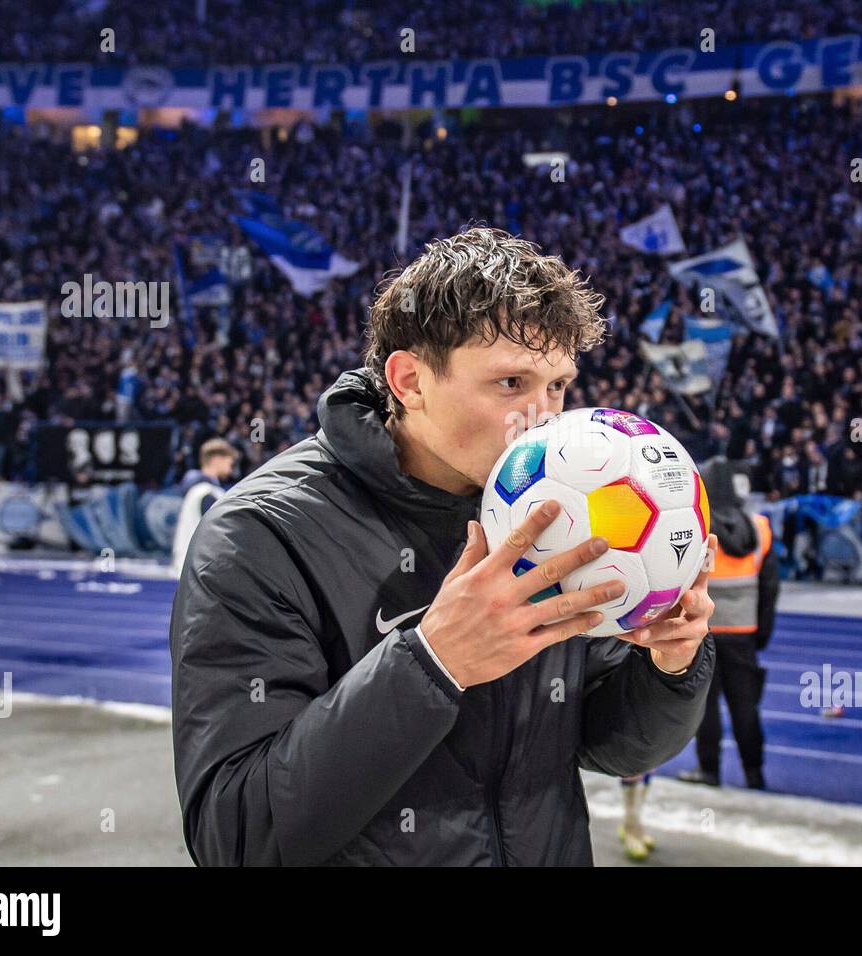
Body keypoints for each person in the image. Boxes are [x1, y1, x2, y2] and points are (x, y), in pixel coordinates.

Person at [170, 227, 718, 866]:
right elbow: (234, 833)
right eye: (511, 383)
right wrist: (433, 662)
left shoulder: (551, 518)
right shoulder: (261, 534)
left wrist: (668, 668)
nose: (543, 418)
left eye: (558, 385)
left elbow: (612, 748)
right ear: (409, 381)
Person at [678, 457, 778, 791]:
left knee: (705, 707)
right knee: (746, 707)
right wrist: (761, 631)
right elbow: (770, 587)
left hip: (703, 631)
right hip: (744, 632)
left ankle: (709, 771)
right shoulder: (759, 528)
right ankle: (754, 772)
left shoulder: (698, 530)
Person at [169, 438, 238, 578]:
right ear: (216, 459)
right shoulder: (206, 492)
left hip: (191, 565)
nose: (231, 468)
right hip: (200, 568)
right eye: (229, 461)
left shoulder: (199, 489)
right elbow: (217, 532)